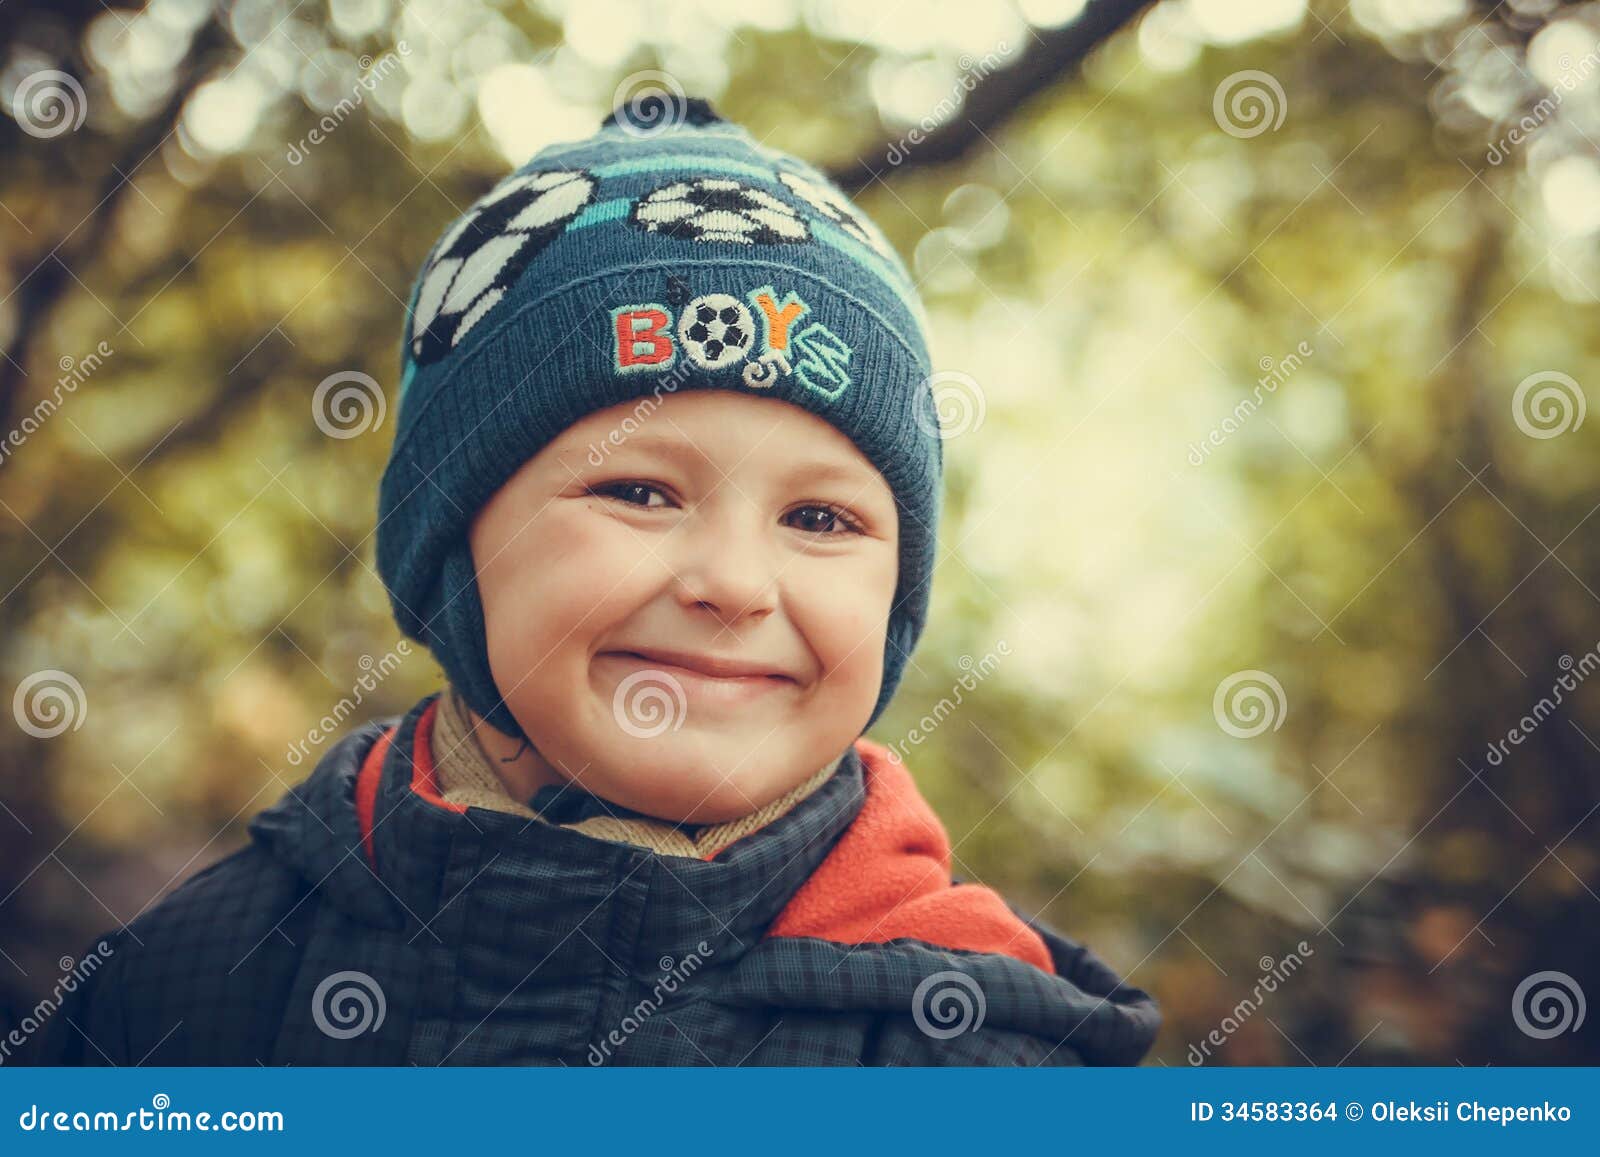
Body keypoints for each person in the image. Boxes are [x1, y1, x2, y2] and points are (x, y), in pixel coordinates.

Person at [20, 98, 1159, 1066]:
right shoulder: (184, 992)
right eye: (640, 493)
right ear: (454, 540)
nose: (731, 582)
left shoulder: (985, 1055)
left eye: (819, 517)